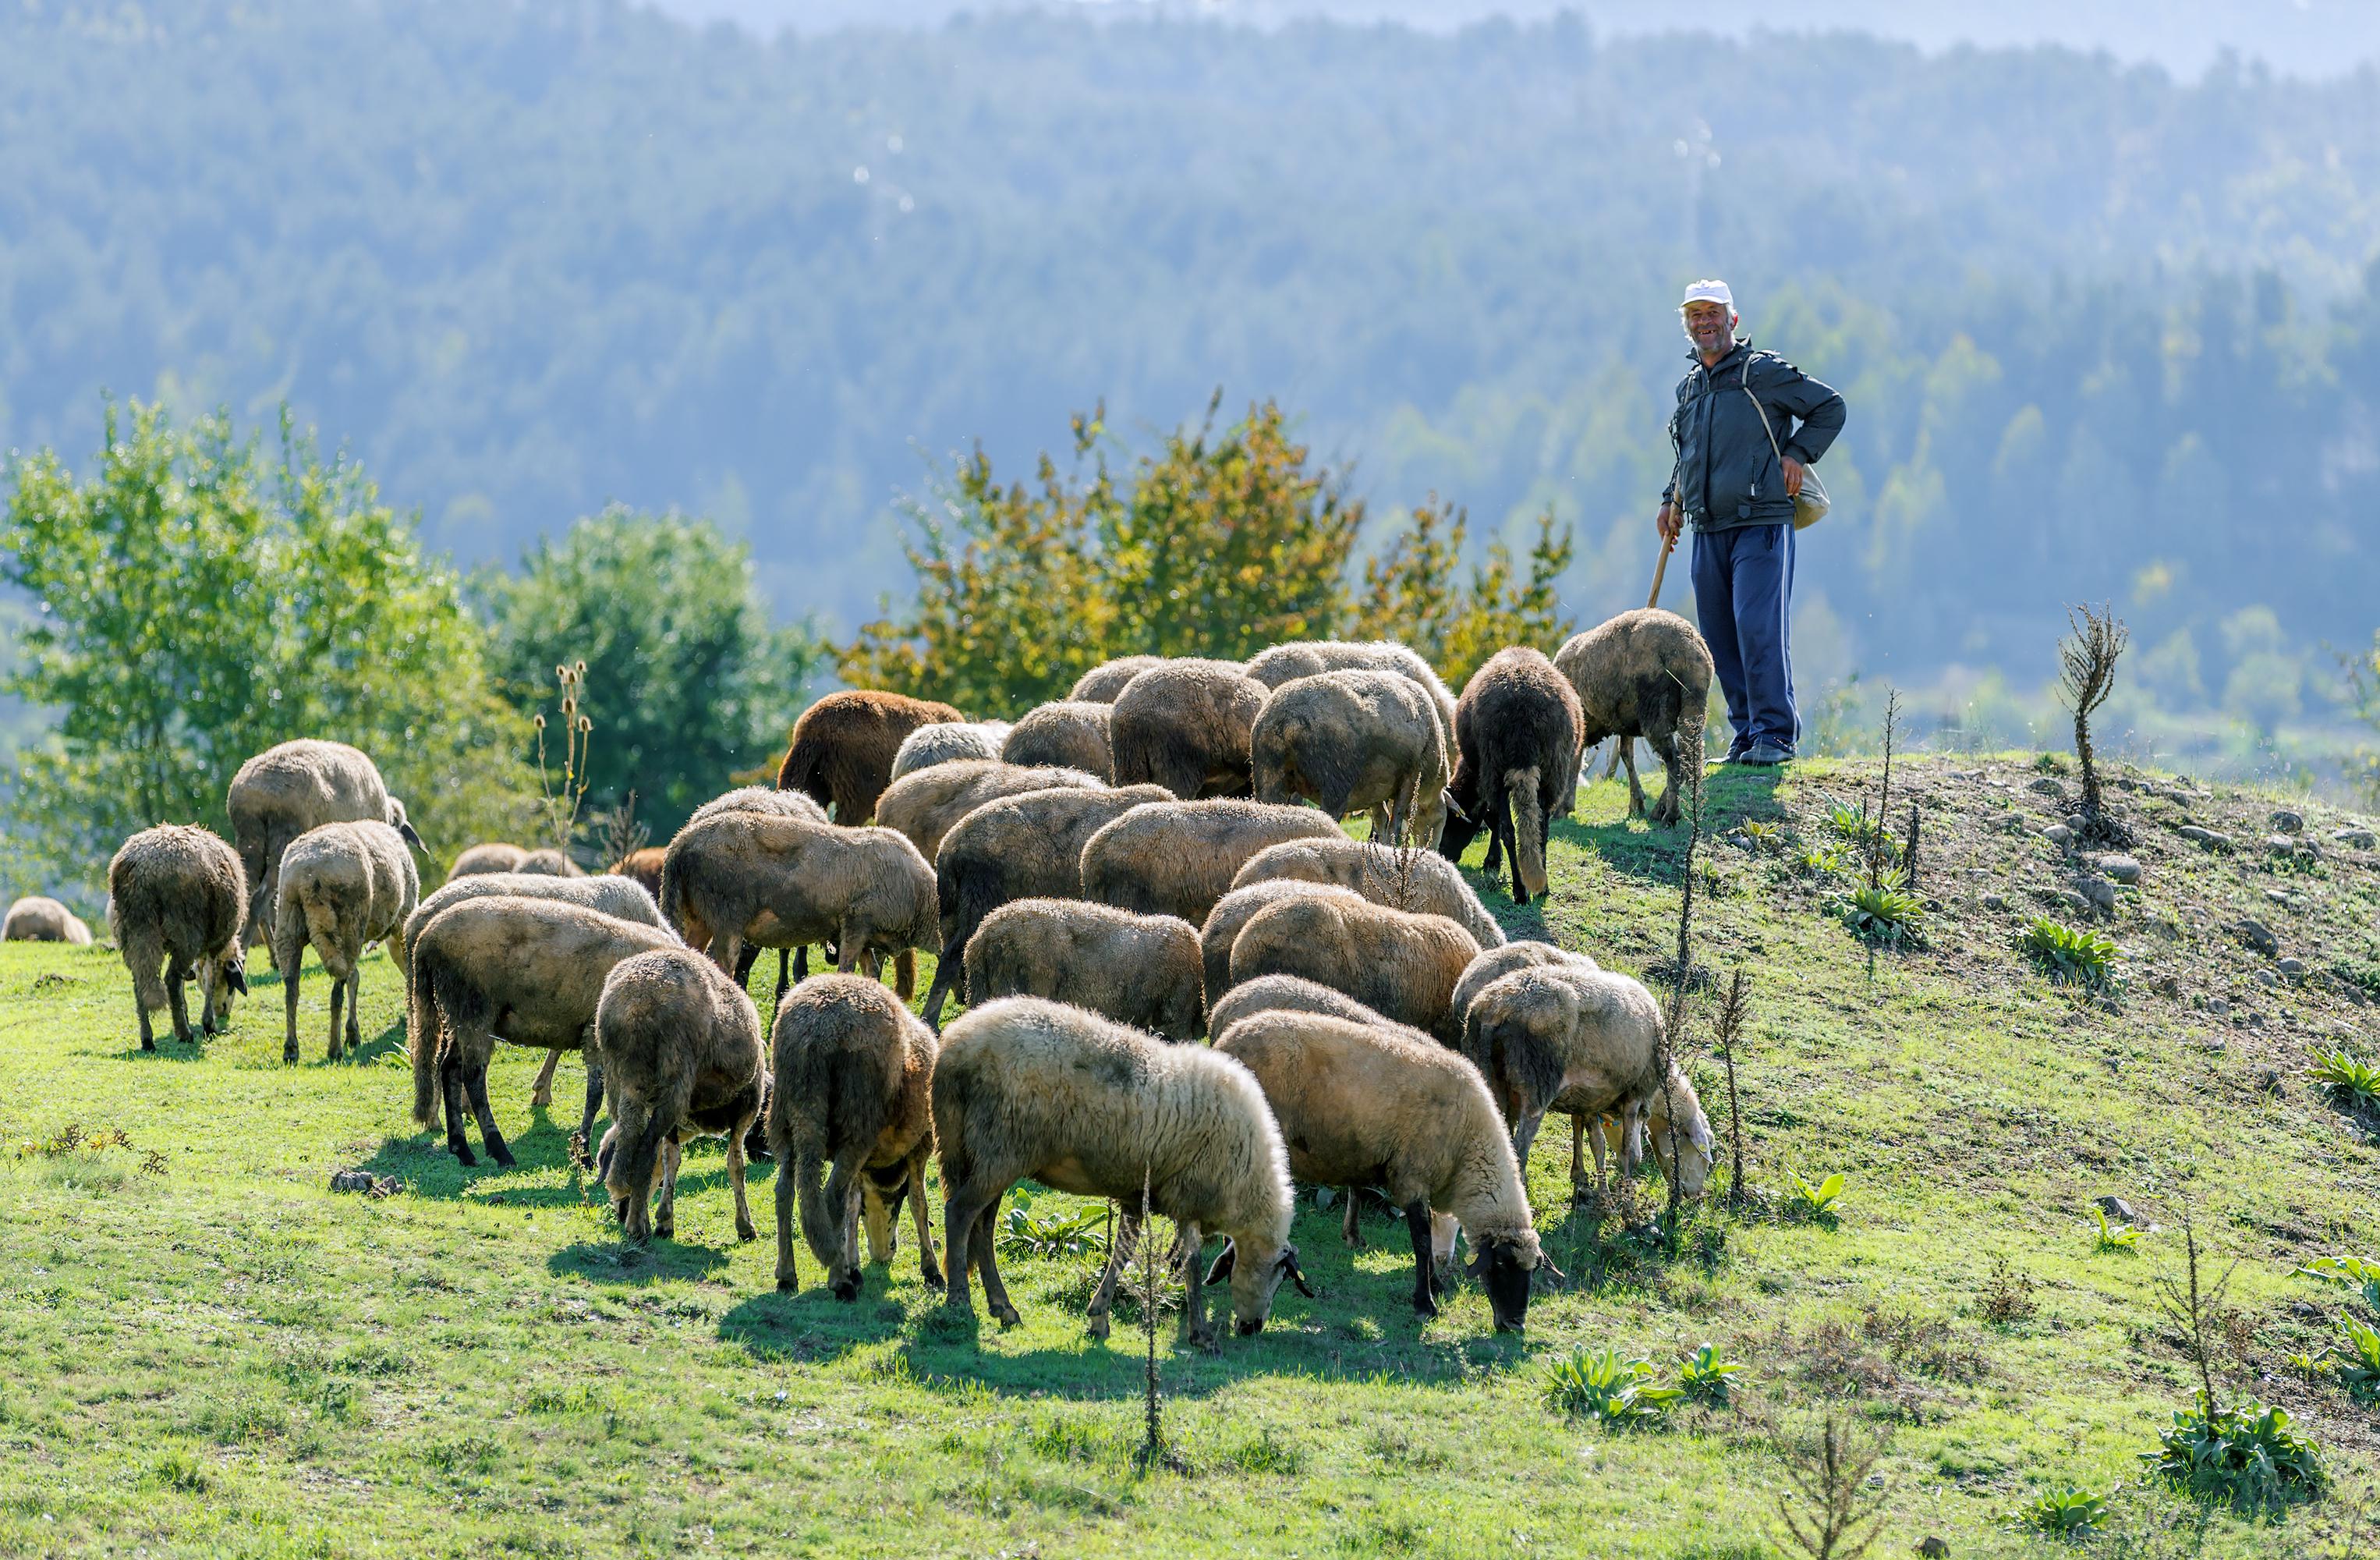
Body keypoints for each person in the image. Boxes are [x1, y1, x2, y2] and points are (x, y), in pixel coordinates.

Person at [1656, 279, 1846, 766]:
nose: (1705, 321)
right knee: (1719, 635)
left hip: (1761, 523)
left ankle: (1777, 734)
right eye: (1695, 315)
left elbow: (1830, 408)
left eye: (1713, 312)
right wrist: (1669, 502)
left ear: (1732, 320)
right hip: (1707, 528)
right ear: (1688, 327)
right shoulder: (1690, 388)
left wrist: (1797, 454)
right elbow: (1688, 455)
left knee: (1756, 625)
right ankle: (1746, 733)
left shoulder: (1762, 373)